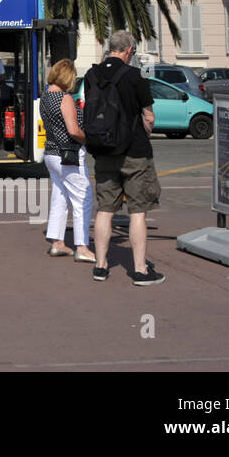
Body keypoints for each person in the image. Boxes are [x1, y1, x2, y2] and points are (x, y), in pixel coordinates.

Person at [84, 30, 162, 285]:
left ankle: (100, 265)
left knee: (105, 210)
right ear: (129, 50)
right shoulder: (135, 76)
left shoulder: (91, 75)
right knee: (137, 211)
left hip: (103, 151)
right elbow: (148, 116)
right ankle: (139, 270)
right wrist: (145, 132)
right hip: (134, 153)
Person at [40, 59, 95, 263]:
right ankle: (82, 246)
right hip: (68, 155)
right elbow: (73, 130)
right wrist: (89, 141)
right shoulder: (64, 98)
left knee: (60, 198)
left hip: (51, 153)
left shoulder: (46, 96)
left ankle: (57, 243)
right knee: (83, 198)